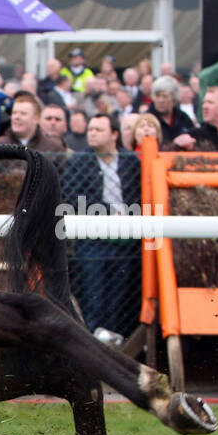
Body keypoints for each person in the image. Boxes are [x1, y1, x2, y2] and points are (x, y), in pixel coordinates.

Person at [62, 113, 142, 341]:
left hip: (126, 239)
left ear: (114, 135)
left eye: (98, 129)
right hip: (92, 239)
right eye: (90, 129)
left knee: (120, 296)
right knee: (94, 294)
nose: (92, 134)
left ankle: (115, 342)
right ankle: (93, 343)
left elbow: (140, 195)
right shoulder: (79, 161)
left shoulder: (130, 162)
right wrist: (109, 212)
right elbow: (72, 198)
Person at [0, 92, 66, 152]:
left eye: (23, 113)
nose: (17, 117)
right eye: (14, 113)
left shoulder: (53, 148)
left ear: (36, 119)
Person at [147, 76, 193, 141]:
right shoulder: (146, 120)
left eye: (165, 96)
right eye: (157, 96)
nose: (161, 100)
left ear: (174, 98)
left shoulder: (183, 118)